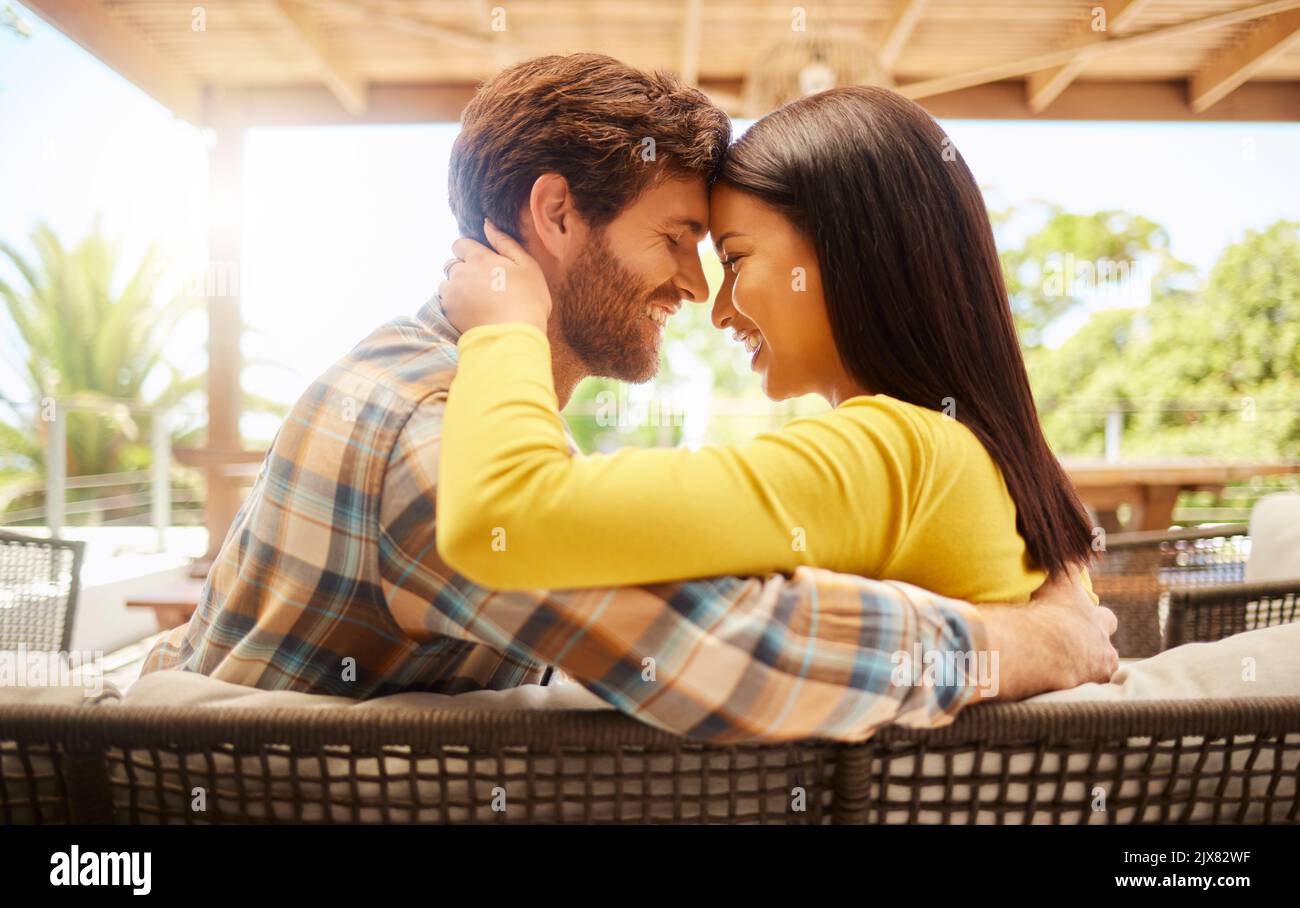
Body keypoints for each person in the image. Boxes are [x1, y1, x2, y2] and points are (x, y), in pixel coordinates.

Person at [141, 55, 1117, 743]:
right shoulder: (423, 443)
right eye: (682, 240)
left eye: (726, 254)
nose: (700, 293)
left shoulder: (421, 390)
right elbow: (747, 660)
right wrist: (1029, 639)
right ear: (557, 215)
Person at [436, 84, 1095, 610]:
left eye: (734, 257)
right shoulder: (959, 455)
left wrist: (505, 326)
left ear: (849, 254)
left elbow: (501, 517)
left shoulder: (896, 456)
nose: (716, 307)